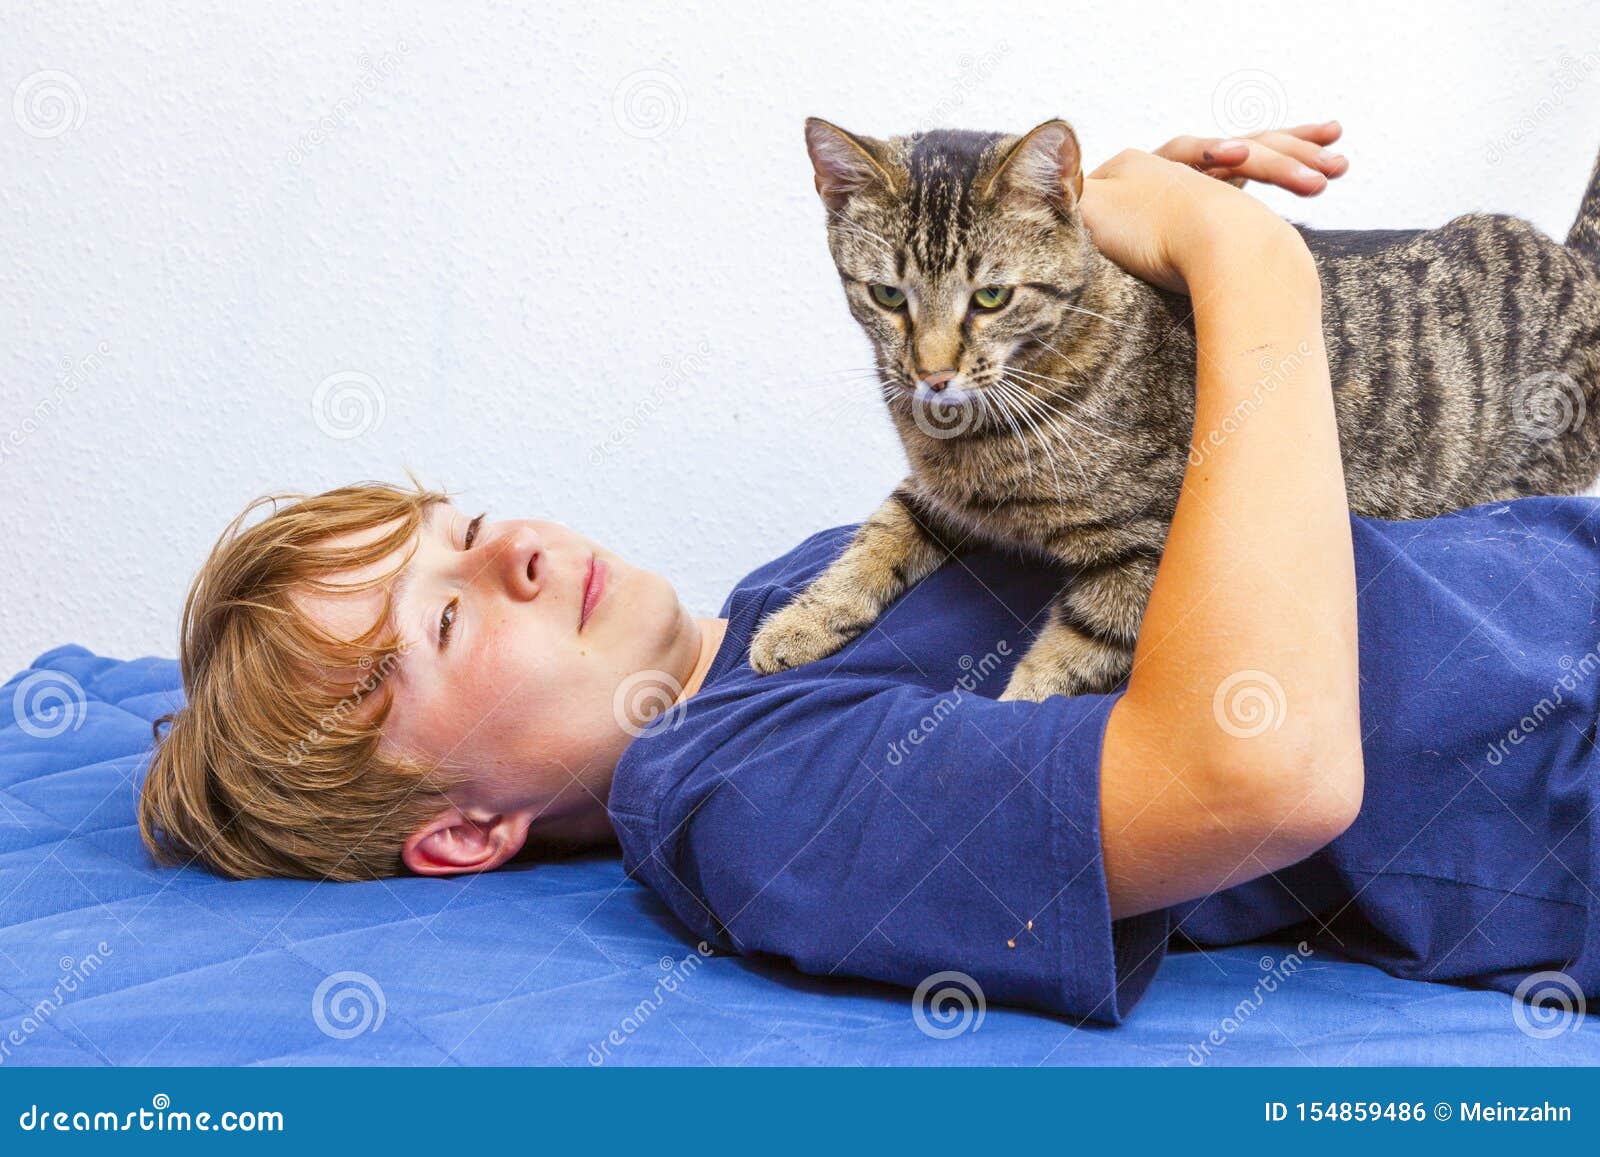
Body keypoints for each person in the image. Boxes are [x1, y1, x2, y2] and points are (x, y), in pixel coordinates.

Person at [140, 123, 1600, 1023]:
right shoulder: (746, 799)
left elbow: (1144, 497)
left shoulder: (789, 602)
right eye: (449, 617)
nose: (515, 547)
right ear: (464, 831)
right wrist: (1245, 262)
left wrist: (1122, 282)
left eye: (461, 528)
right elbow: (1266, 771)